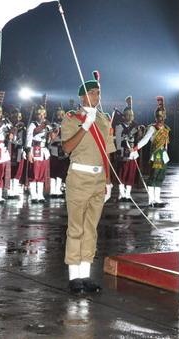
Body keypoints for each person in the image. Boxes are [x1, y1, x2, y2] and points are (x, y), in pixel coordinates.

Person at [60, 71, 116, 293]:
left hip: (99, 177)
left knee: (91, 228)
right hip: (79, 177)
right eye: (91, 93)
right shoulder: (71, 118)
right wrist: (84, 126)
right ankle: (74, 276)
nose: (96, 96)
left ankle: (86, 274)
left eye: (98, 92)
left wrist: (109, 181)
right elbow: (66, 148)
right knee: (76, 227)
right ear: (82, 97)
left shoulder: (104, 119)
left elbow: (108, 153)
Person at [135, 97, 171, 207]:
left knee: (161, 176)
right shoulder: (152, 128)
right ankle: (151, 200)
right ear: (156, 117)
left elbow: (166, 143)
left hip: (163, 154)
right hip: (155, 154)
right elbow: (145, 140)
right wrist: (136, 148)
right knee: (154, 176)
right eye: (160, 116)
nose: (162, 118)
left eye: (163, 115)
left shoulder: (166, 128)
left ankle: (157, 199)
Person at [112, 97, 143, 203]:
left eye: (131, 115)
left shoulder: (135, 126)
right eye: (127, 115)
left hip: (133, 153)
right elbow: (118, 140)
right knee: (122, 173)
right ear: (123, 116)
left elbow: (138, 140)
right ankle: (122, 194)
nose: (129, 117)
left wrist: (139, 135)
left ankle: (128, 194)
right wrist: (119, 152)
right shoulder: (119, 126)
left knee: (131, 173)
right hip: (123, 153)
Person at [25, 102, 55, 204]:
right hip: (34, 149)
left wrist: (52, 137)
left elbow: (49, 138)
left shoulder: (47, 125)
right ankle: (33, 194)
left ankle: (40, 194)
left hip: (43, 150)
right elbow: (28, 139)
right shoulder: (32, 125)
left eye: (42, 114)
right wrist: (29, 153)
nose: (41, 116)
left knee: (42, 174)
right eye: (39, 114)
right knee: (34, 173)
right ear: (36, 115)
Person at [48, 106, 69, 198]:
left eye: (61, 115)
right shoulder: (51, 125)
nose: (59, 116)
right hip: (54, 149)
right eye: (57, 115)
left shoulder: (67, 125)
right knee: (53, 171)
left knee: (61, 171)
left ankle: (58, 190)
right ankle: (53, 190)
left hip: (63, 149)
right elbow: (49, 138)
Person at [6, 108, 26, 200]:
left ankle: (15, 189)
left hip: (19, 149)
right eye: (15, 117)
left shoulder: (23, 127)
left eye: (18, 117)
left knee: (18, 170)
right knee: (11, 170)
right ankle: (9, 190)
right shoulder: (8, 126)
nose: (17, 119)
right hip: (11, 149)